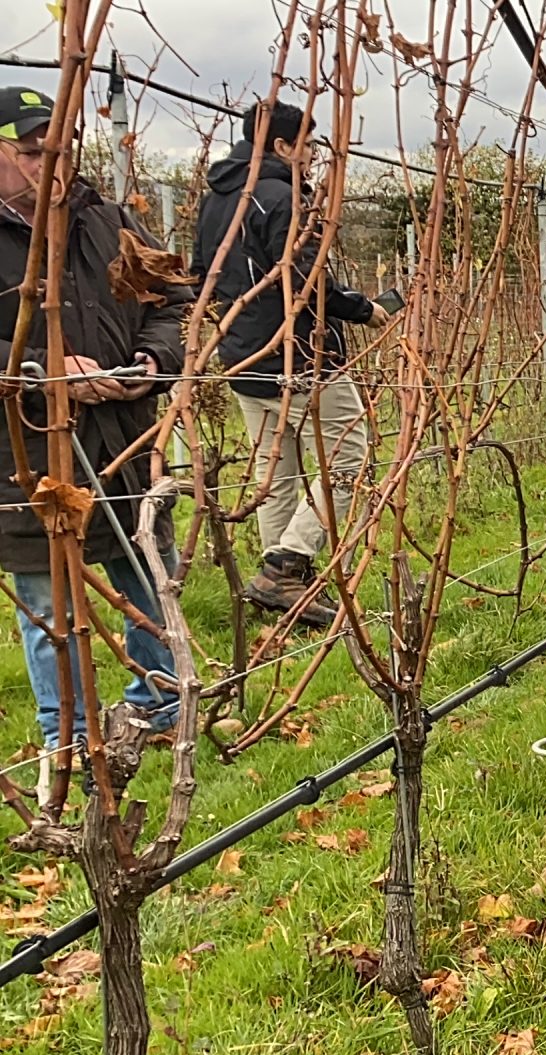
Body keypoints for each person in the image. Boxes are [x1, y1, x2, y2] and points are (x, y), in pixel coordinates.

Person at [0, 86, 191, 751]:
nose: (53, 165)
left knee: (148, 573)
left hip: (125, 438)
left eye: (63, 148)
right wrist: (43, 373)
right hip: (23, 454)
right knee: (49, 600)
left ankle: (160, 706)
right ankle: (71, 737)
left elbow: (174, 301)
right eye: (31, 153)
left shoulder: (109, 220)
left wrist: (151, 360)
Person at [194, 98, 391, 629]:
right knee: (350, 457)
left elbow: (201, 277)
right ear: (282, 146)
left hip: (242, 357)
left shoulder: (215, 201)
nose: (311, 158)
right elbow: (306, 282)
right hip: (301, 355)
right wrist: (363, 309)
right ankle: (288, 562)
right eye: (306, 146)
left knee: (273, 473)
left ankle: (276, 596)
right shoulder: (281, 197)